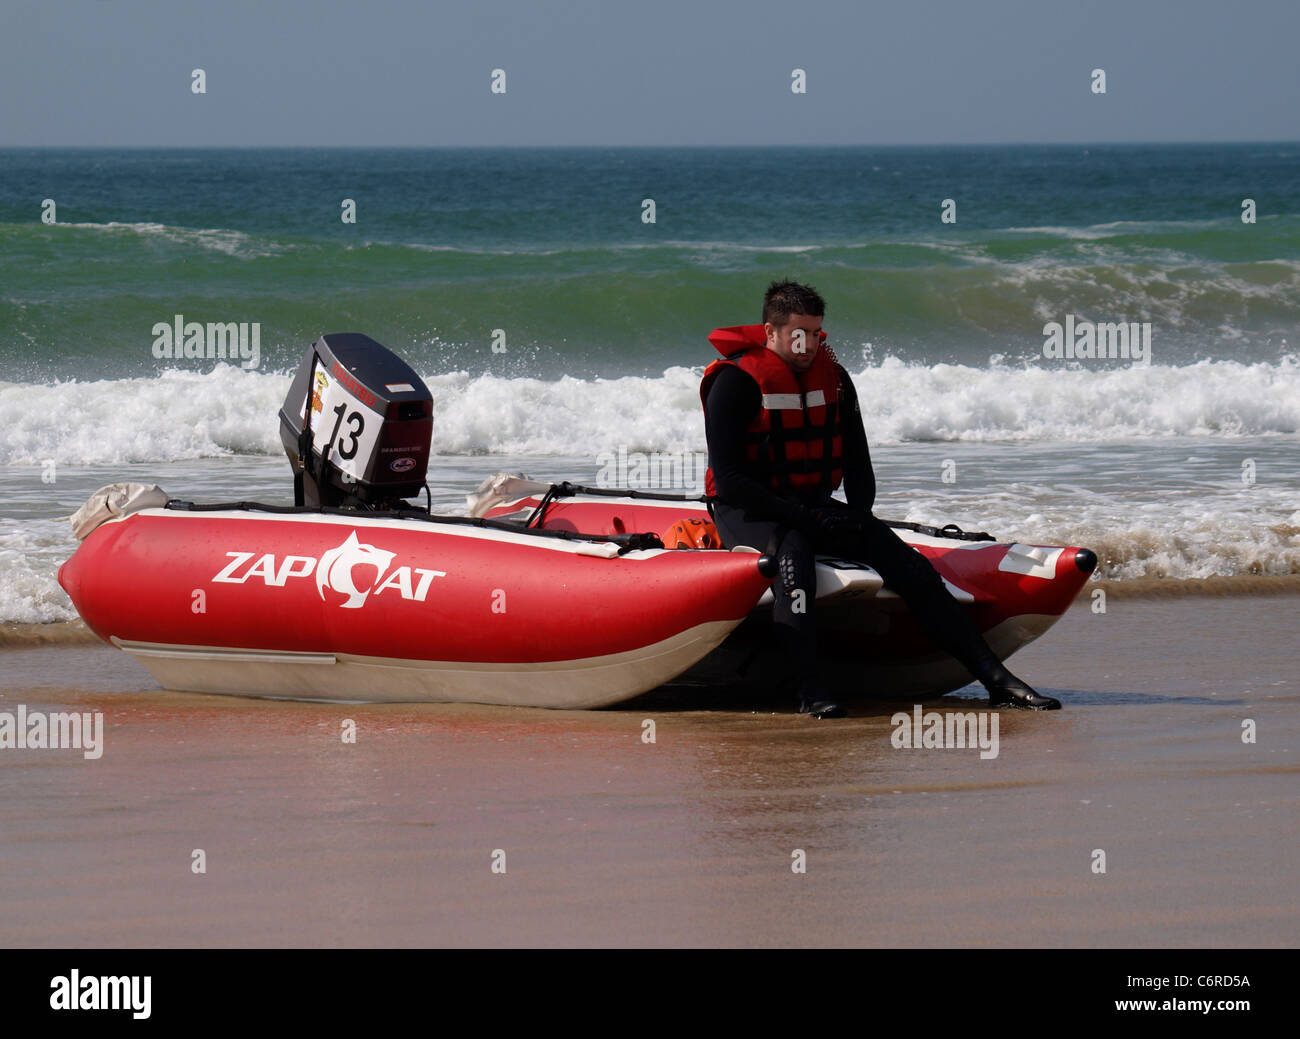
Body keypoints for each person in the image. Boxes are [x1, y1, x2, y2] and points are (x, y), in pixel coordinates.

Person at [701, 280, 1060, 718]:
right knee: (793, 565)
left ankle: (996, 679)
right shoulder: (735, 383)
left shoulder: (834, 380)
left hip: (813, 508)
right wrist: (803, 519)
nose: (807, 344)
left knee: (908, 565)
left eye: (815, 333)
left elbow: (857, 461)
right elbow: (733, 480)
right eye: (798, 333)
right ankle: (810, 691)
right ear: (770, 331)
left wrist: (860, 523)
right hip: (750, 511)